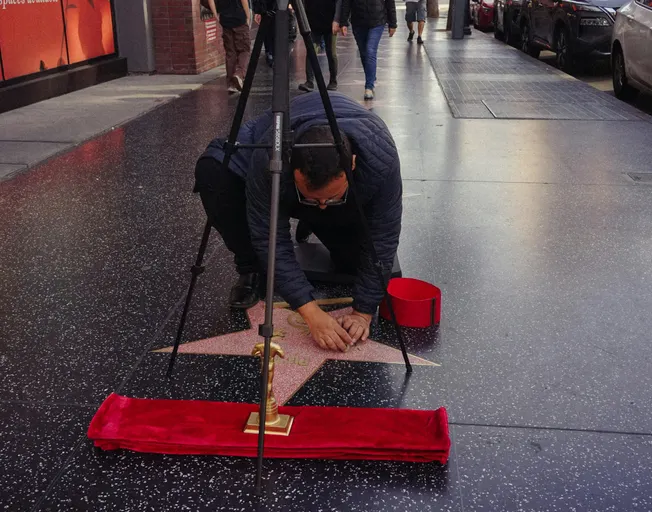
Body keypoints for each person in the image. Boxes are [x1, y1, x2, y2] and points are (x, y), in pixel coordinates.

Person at [194, 92, 402, 352]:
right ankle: (250, 268)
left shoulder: (381, 157)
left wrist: (364, 311)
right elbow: (269, 236)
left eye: (331, 198)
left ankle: (314, 217)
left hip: (340, 192)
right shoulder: (269, 156)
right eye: (313, 199)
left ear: (352, 164)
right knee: (214, 171)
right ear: (290, 169)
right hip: (276, 150)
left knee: (354, 264)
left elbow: (383, 235)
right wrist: (311, 314)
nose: (323, 204)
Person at [337, 0, 397, 100]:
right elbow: (346, 2)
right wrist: (343, 22)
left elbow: (390, 2)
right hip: (358, 22)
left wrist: (393, 23)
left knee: (370, 51)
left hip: (377, 21)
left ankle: (369, 86)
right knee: (363, 53)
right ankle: (371, 76)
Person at [206, 0, 251, 93]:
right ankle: (239, 74)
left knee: (230, 53)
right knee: (244, 50)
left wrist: (216, 15)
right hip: (239, 19)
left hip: (225, 20)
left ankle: (231, 84)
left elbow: (210, 1)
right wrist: (247, 16)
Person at [298, 0, 344, 92]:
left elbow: (339, 2)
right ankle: (309, 81)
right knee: (311, 51)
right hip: (313, 22)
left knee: (331, 52)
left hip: (330, 24)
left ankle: (333, 81)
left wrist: (337, 20)